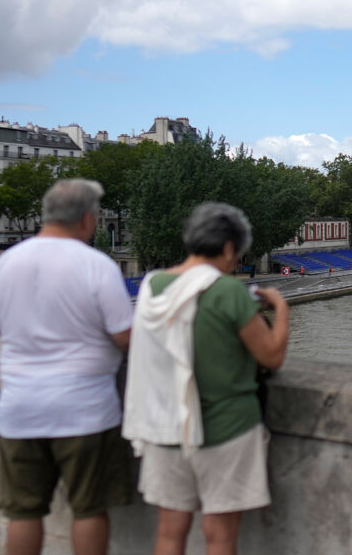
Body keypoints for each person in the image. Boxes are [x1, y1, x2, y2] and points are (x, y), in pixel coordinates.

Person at [0, 178, 134, 555]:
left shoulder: (5, 262)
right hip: (85, 410)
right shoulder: (97, 265)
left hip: (20, 408)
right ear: (89, 219)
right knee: (89, 510)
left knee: (23, 513)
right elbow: (124, 336)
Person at [123, 202, 289, 555]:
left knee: (169, 532)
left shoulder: (154, 287)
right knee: (220, 538)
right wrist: (282, 309)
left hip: (166, 428)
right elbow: (270, 355)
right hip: (226, 430)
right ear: (229, 247)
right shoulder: (227, 291)